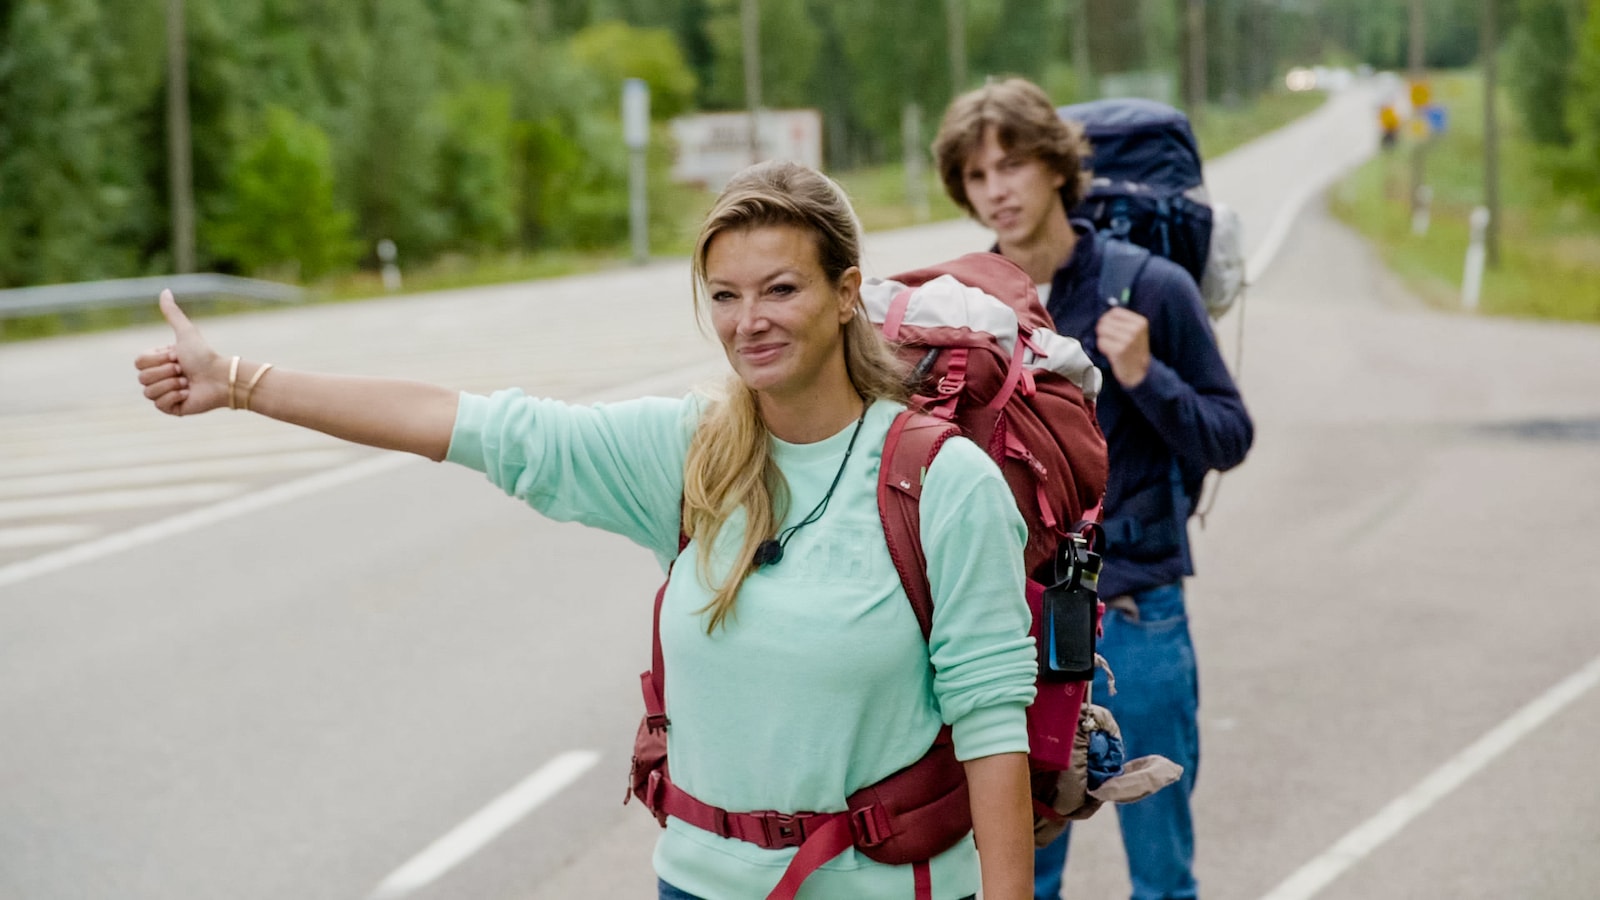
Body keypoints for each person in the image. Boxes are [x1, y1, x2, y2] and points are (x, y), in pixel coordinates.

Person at [135, 160, 1038, 900]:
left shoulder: (941, 483)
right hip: (694, 883)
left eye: (780, 289)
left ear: (846, 294)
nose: (748, 321)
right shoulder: (687, 452)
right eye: (723, 295)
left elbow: (992, 737)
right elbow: (470, 425)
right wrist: (243, 382)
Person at [932, 80, 1254, 900]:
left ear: (1057, 165)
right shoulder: (968, 306)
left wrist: (1147, 376)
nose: (996, 188)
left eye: (1013, 163)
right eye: (975, 175)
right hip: (1019, 625)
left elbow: (1229, 434)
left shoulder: (1151, 287)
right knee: (1019, 875)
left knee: (1161, 874)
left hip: (1140, 608)